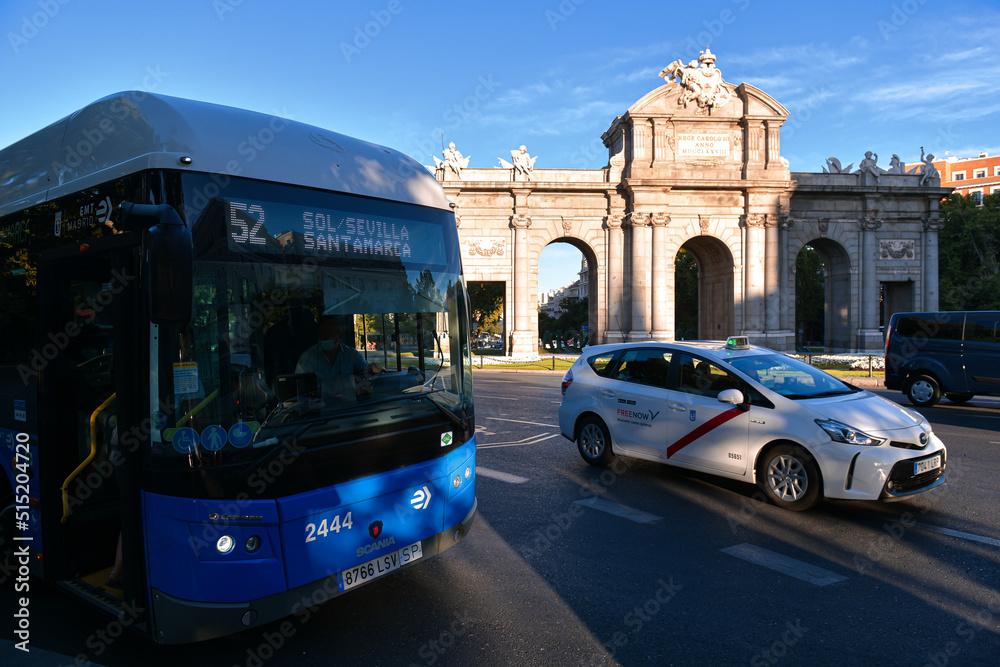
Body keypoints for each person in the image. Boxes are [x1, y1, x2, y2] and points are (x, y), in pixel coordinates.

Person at [295, 315, 383, 398]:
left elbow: (367, 372)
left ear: (340, 335)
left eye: (328, 334)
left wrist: (374, 367)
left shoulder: (351, 355)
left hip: (348, 406)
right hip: (319, 408)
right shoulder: (308, 357)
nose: (323, 337)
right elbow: (298, 388)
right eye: (321, 334)